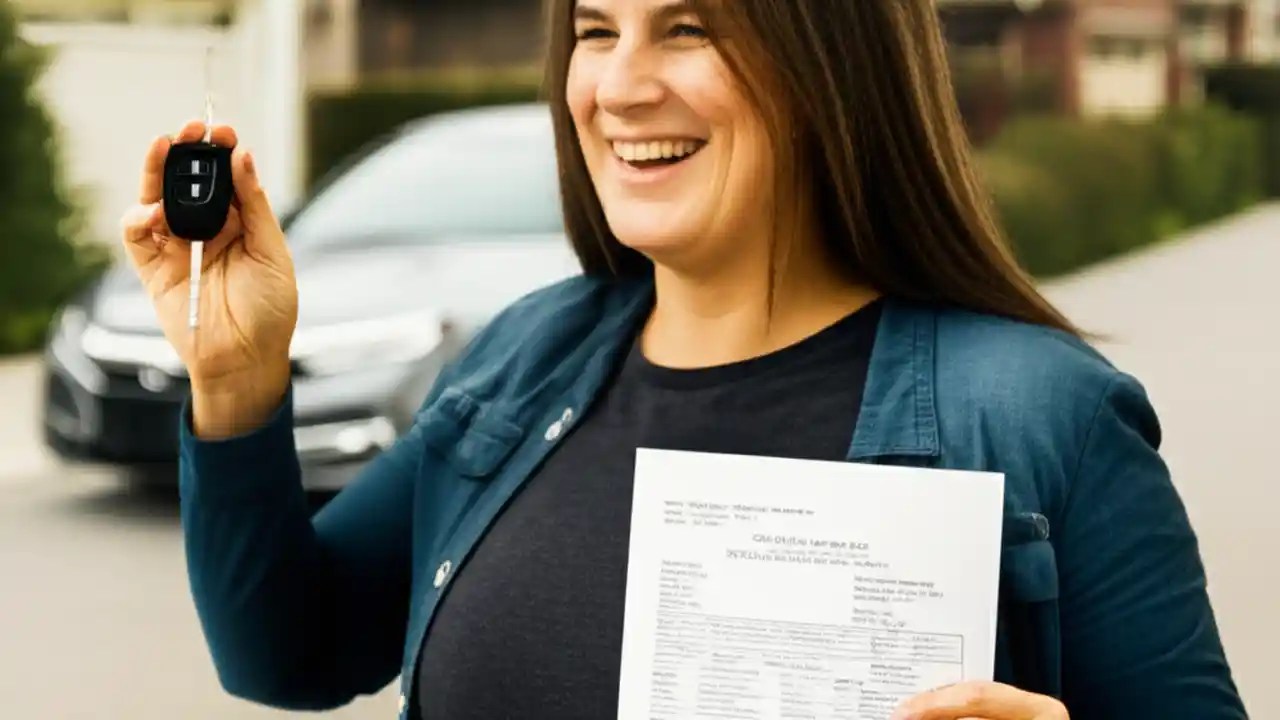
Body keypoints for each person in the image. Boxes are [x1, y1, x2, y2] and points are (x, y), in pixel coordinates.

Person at [120, 0, 1248, 718]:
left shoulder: (1044, 416)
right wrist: (236, 384)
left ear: (832, 62)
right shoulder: (525, 355)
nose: (618, 86)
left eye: (690, 27)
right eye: (596, 30)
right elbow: (293, 653)